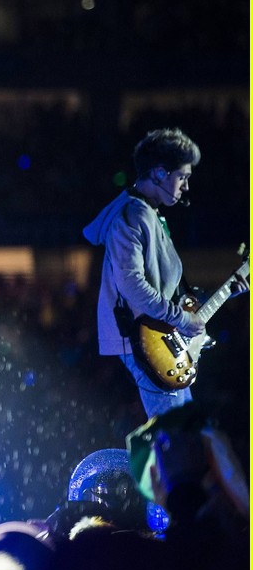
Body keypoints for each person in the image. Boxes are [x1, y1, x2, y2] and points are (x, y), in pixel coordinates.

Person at [82, 127, 246, 418]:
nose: (186, 187)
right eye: (182, 177)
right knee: (174, 433)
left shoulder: (148, 214)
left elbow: (169, 293)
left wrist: (222, 293)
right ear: (159, 173)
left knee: (184, 429)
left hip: (161, 337)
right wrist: (181, 319)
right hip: (143, 340)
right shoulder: (132, 216)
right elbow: (132, 284)